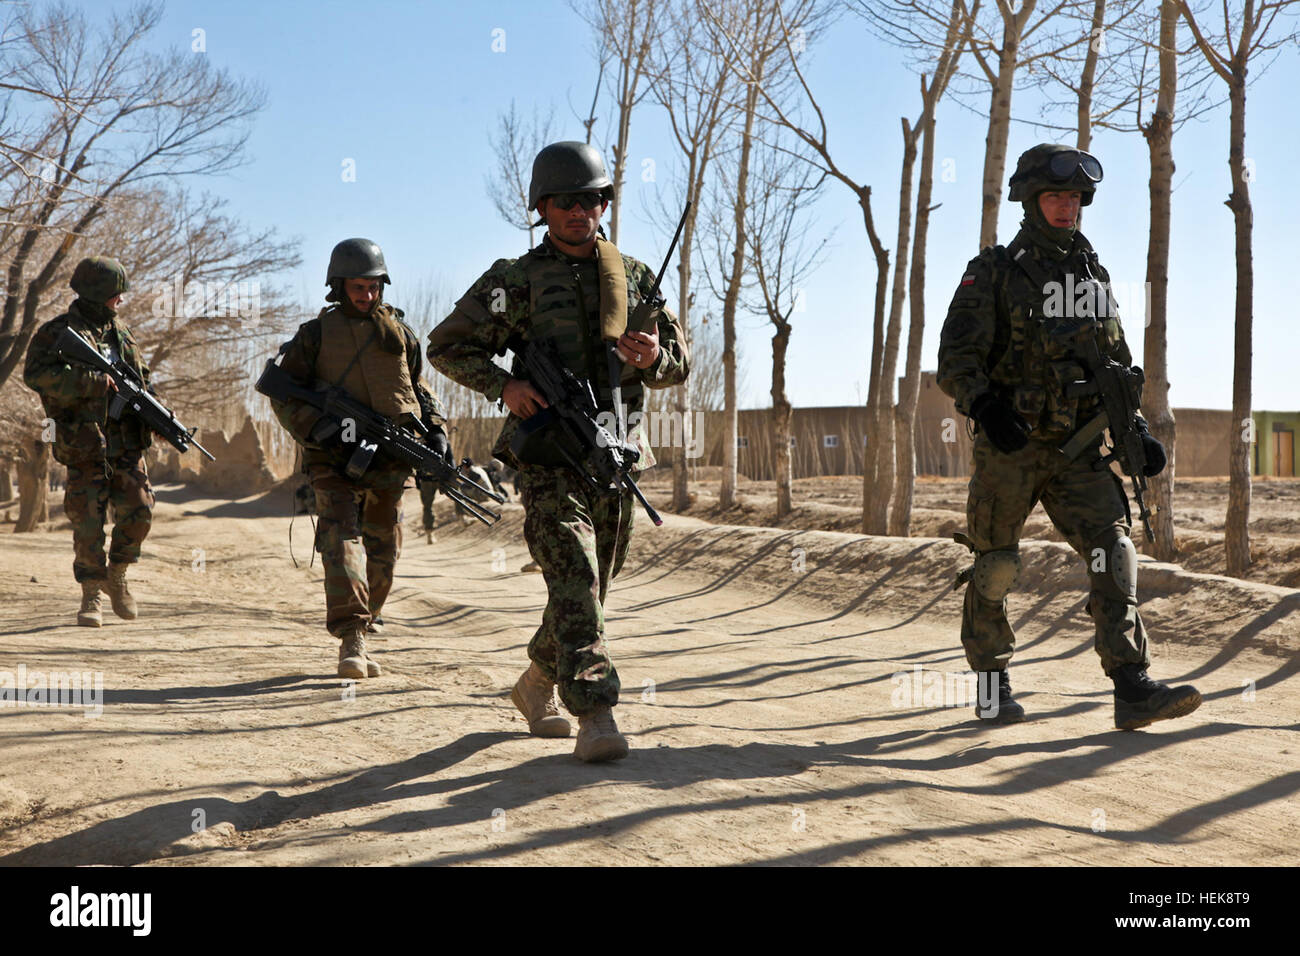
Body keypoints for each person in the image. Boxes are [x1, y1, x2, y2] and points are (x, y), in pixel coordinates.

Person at [428, 141, 689, 762]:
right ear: (543, 207)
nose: (580, 211)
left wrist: (655, 359)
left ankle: (537, 681)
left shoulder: (635, 277)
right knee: (574, 575)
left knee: (590, 590)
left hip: (618, 454)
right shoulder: (514, 281)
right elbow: (446, 347)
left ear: (604, 205)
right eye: (566, 201)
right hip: (548, 456)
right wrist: (505, 386)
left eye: (592, 199)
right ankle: (596, 712)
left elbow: (678, 364)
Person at [937, 143, 1201, 731]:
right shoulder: (995, 273)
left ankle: (1132, 687)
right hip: (1013, 448)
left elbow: (1115, 365)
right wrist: (985, 405)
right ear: (1031, 201)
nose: (1067, 207)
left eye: (1075, 197)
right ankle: (991, 682)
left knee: (1115, 551)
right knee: (996, 564)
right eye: (1055, 196)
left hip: (1079, 449)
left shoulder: (1093, 277)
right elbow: (954, 358)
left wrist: (1135, 428)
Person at [268, 238, 449, 678]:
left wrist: (438, 429)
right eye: (356, 287)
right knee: (341, 538)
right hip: (332, 459)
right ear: (338, 286)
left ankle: (370, 616)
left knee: (384, 546)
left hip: (389, 457)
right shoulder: (314, 337)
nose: (365, 295)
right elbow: (281, 393)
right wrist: (321, 432)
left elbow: (418, 389)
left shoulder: (401, 335)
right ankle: (352, 635)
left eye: (372, 287)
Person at [24, 257, 154, 627]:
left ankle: (118, 573)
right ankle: (92, 594)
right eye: (115, 294)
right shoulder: (56, 333)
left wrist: (160, 416)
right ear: (97, 295)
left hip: (126, 444)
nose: (120, 301)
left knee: (141, 509)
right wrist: (90, 382)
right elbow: (34, 375)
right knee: (87, 521)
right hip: (84, 443)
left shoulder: (123, 334)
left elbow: (142, 382)